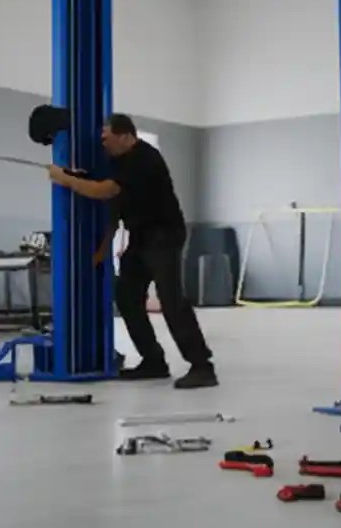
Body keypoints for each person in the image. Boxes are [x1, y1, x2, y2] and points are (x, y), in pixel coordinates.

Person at [47, 113, 217, 389]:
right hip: (140, 236)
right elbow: (114, 213)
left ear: (126, 136)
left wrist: (63, 180)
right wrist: (101, 251)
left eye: (108, 138)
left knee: (171, 299)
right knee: (126, 294)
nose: (104, 144)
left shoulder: (144, 157)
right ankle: (153, 361)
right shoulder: (117, 162)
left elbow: (104, 191)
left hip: (164, 234)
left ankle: (202, 366)